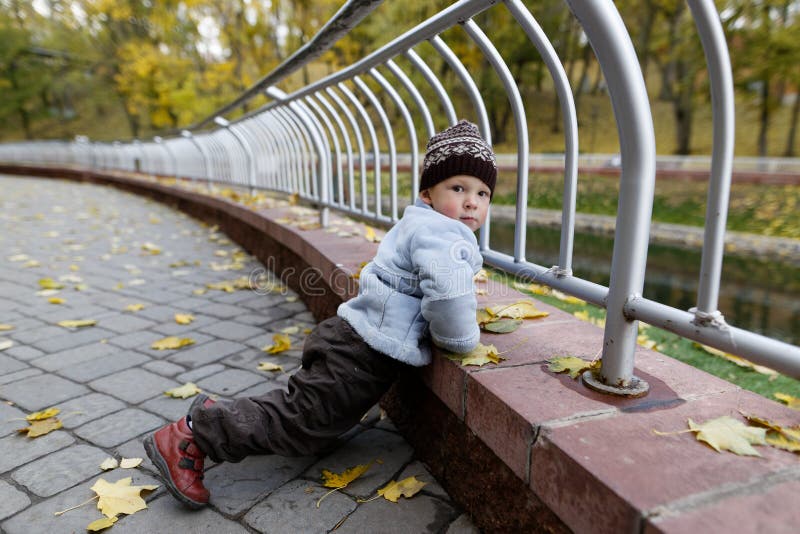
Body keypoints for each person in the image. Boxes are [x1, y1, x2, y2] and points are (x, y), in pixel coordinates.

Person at [143, 120, 497, 509]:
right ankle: (193, 435)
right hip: (360, 356)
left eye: (482, 193)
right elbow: (447, 296)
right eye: (458, 188)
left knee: (312, 416)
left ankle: (233, 421)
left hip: (349, 339)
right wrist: (460, 340)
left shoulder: (417, 222)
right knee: (300, 421)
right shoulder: (443, 234)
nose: (471, 202)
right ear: (428, 193)